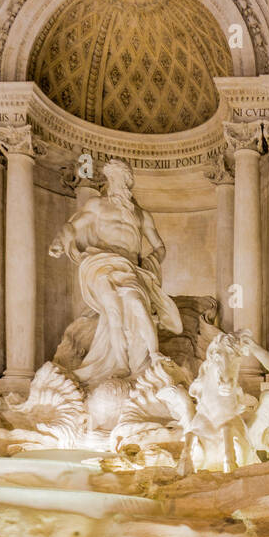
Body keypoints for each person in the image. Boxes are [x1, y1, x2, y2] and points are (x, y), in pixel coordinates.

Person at [48, 159, 182, 386]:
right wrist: (59, 241)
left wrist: (151, 261)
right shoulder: (97, 205)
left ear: (128, 182)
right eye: (114, 179)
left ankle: (154, 354)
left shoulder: (141, 215)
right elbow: (72, 227)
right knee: (113, 309)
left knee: (137, 304)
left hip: (129, 267)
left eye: (122, 179)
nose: (118, 184)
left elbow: (159, 247)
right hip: (101, 262)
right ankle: (121, 363)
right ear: (109, 181)